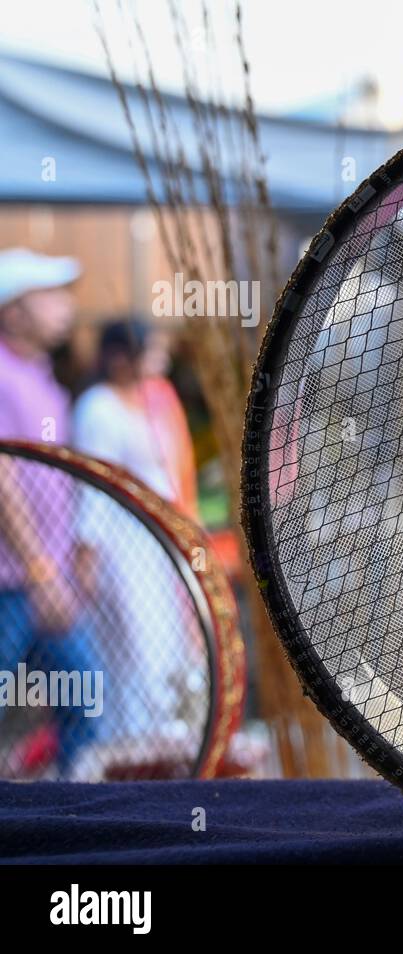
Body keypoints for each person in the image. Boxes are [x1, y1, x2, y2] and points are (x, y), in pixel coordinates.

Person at [73, 319, 198, 748]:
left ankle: (162, 749)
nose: (161, 359)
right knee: (133, 651)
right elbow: (95, 490)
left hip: (156, 545)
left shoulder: (151, 402)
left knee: (165, 646)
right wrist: (87, 558)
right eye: (152, 350)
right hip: (120, 549)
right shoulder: (98, 408)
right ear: (121, 357)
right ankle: (130, 750)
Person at [0, 248, 100, 776]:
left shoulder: (39, 375)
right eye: (49, 295)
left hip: (41, 579)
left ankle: (65, 821)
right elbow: (4, 477)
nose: (66, 305)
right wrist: (41, 570)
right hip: (14, 583)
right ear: (13, 312)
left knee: (84, 699)